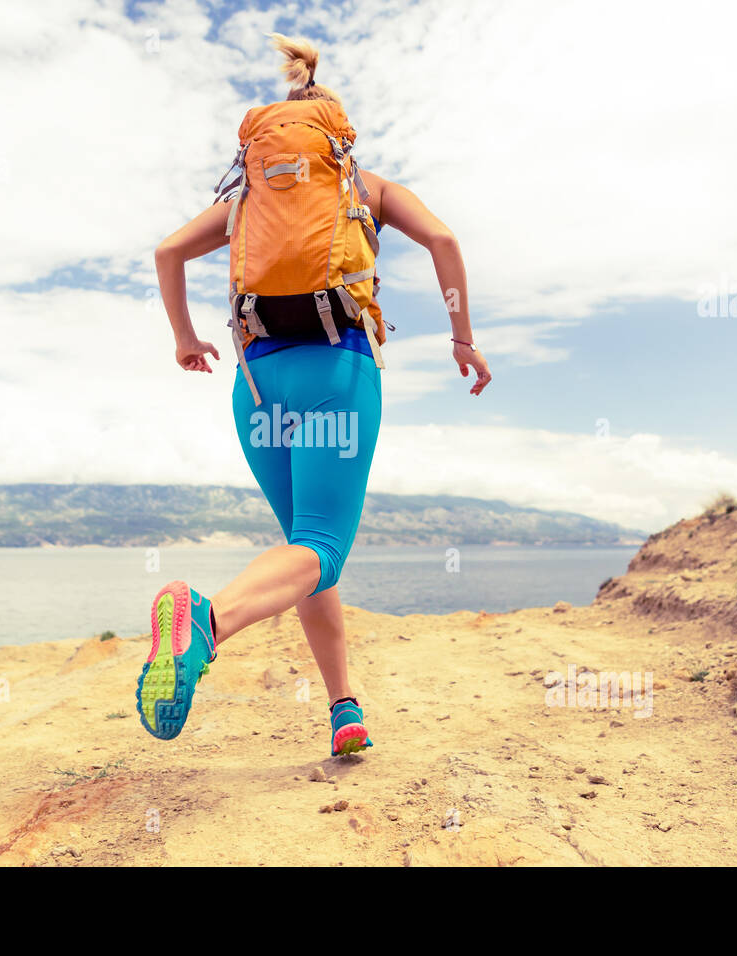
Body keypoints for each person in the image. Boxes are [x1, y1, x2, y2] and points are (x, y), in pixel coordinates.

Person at [137, 33, 491, 757]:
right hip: (337, 373)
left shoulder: (245, 204)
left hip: (258, 387)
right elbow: (446, 242)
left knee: (304, 545)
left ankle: (343, 707)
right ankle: (208, 620)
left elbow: (167, 252)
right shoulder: (369, 189)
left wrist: (183, 338)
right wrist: (462, 336)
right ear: (341, 137)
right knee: (322, 548)